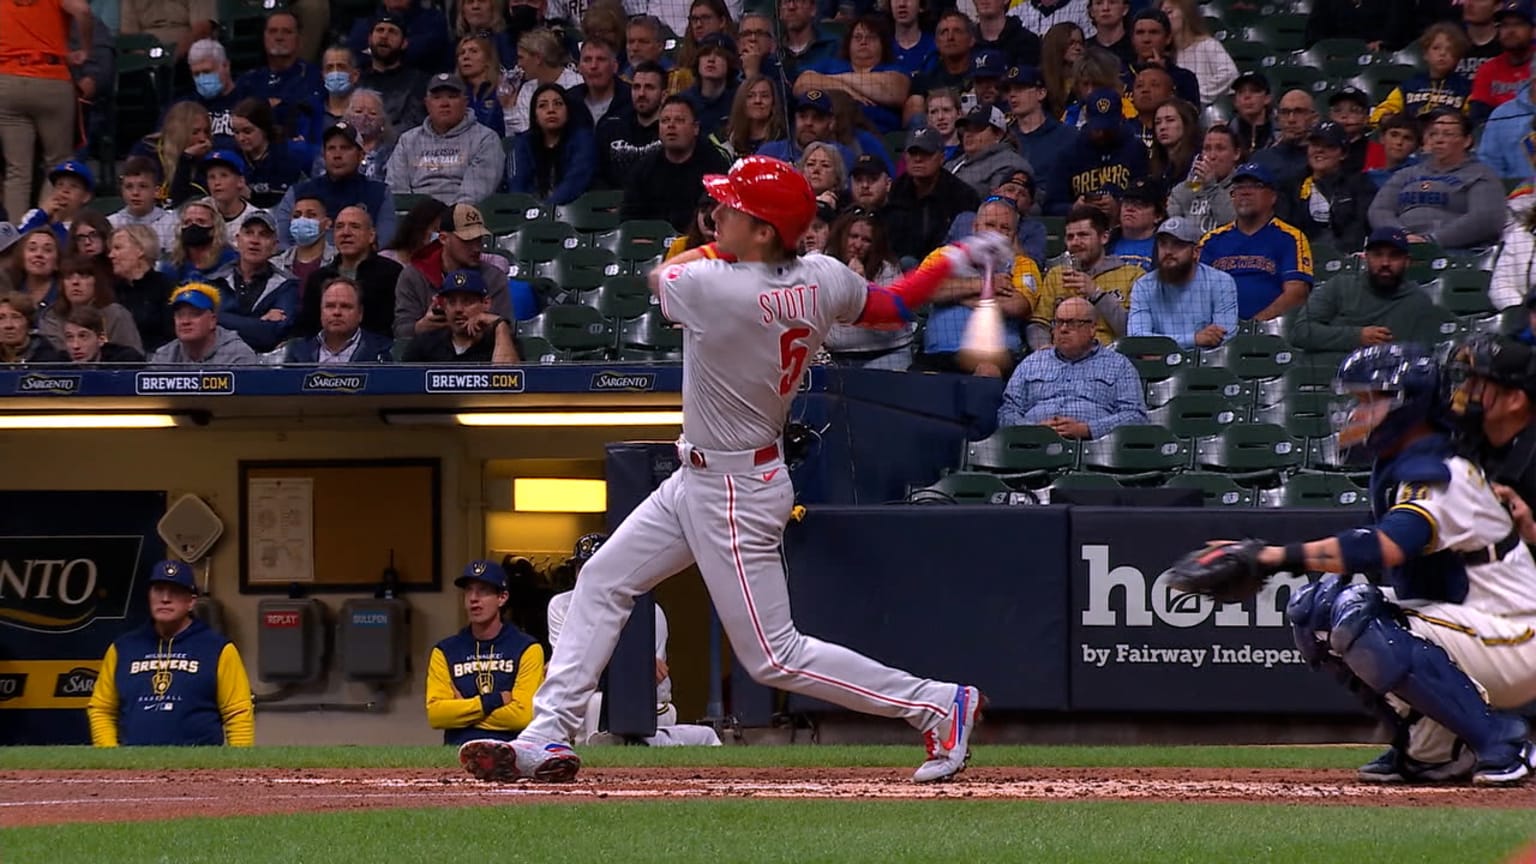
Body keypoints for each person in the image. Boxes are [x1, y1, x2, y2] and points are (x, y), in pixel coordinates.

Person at [456, 155, 1008, 785]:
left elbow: (664, 271)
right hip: (700, 476)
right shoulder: (824, 276)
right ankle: (548, 734)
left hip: (734, 489)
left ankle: (937, 703)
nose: (716, 212)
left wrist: (739, 247)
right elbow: (896, 302)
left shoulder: (720, 287)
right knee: (602, 581)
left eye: (733, 208)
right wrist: (960, 253)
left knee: (774, 656)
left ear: (766, 230)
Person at [1247, 345, 1536, 786]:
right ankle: (1432, 747)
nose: (1356, 413)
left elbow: (1388, 546)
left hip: (1518, 635)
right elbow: (1358, 554)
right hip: (1478, 630)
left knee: (1359, 614)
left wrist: (1273, 556)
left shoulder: (1439, 469)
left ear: (1409, 406)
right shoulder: (1399, 464)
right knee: (1314, 607)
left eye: (1370, 400)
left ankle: (1504, 740)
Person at [547, 533, 722, 747]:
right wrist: (625, 664)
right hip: (588, 700)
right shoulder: (561, 605)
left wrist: (600, 664)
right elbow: (569, 670)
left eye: (596, 565)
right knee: (589, 701)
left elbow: (648, 677)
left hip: (650, 705)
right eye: (581, 567)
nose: (588, 573)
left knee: (596, 703)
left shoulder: (648, 611)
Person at [86, 560, 254, 747]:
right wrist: (111, 756)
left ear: (191, 602)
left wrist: (237, 766)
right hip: (133, 765)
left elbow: (238, 713)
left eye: (175, 591)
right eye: (158, 590)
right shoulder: (123, 648)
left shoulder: (218, 649)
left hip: (201, 766)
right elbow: (101, 709)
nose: (165, 598)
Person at [426, 560, 544, 746]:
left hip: (512, 749)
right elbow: (437, 715)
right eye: (469, 591)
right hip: (458, 750)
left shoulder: (527, 648)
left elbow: (522, 716)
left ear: (502, 597)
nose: (473, 598)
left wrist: (463, 711)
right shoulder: (445, 651)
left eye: (483, 590)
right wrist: (494, 701)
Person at [997, 296, 1147, 436]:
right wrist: (1033, 430)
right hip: (1033, 446)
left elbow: (1135, 416)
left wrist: (1088, 429)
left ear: (1092, 329)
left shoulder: (1119, 365)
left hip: (1095, 449)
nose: (1063, 329)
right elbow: (1007, 411)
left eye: (1072, 323)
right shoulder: (1032, 363)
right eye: (1058, 322)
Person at [0, 0, 93, 220]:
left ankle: (14, 242)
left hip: (7, 79)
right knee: (58, 164)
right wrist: (86, 49)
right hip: (51, 78)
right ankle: (50, 235)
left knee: (17, 171)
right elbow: (83, 11)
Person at [1289, 227, 1445, 355]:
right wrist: (1357, 337)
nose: (1385, 263)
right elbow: (1301, 332)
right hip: (1328, 378)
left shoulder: (1418, 302)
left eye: (1394, 256)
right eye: (1377, 255)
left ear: (1407, 262)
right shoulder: (1339, 286)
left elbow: (1422, 355)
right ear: (1366, 258)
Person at [1368, 108, 1504, 251]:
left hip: (1454, 253)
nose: (1438, 140)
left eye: (1448, 134)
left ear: (1467, 141)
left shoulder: (1481, 174)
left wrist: (1431, 241)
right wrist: (1402, 236)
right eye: (1433, 134)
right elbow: (1379, 210)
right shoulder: (1405, 174)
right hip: (1400, 250)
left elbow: (1485, 219)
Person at [1199, 162, 1313, 321]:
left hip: (1269, 332)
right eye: (1239, 187)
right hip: (1216, 331)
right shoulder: (1211, 240)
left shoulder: (1291, 238)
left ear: (1272, 196)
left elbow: (1297, 293)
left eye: (1255, 186)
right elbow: (1195, 293)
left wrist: (1254, 325)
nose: (1245, 192)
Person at [387, 73, 506, 205]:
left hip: (463, 216)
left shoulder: (485, 139)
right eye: (437, 98)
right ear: (427, 104)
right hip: (415, 218)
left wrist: (450, 217)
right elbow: (396, 189)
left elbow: (476, 191)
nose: (444, 104)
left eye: (452, 97)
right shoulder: (407, 140)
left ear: (465, 102)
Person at [1126, 217, 1238, 349]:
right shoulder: (1143, 286)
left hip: (1206, 364)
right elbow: (1136, 338)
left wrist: (1158, 346)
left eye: (1177, 245)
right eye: (1163, 244)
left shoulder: (1220, 282)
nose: (1168, 251)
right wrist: (1195, 339)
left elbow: (1225, 338)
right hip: (1159, 366)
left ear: (1196, 252)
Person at [401, 269, 518, 362]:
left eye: (467, 301)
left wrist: (500, 324)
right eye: (451, 302)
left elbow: (507, 382)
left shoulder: (503, 341)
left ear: (486, 303)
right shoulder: (425, 344)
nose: (458, 309)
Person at [284, 275, 392, 363]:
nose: (337, 312)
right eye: (330, 306)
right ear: (321, 311)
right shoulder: (296, 351)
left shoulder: (384, 351)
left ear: (360, 313)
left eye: (345, 306)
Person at [148, 283, 259, 365]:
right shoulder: (165, 355)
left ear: (212, 321)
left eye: (194, 314)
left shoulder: (237, 354)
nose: (185, 321)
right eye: (180, 315)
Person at [60, 305, 146, 364]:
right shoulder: (58, 364)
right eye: (70, 337)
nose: (76, 346)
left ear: (101, 339)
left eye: (83, 336)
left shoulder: (125, 360)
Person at [0, 291, 68, 364]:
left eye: (16, 317)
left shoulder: (51, 359)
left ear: (29, 322)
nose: (8, 325)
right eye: (1, 318)